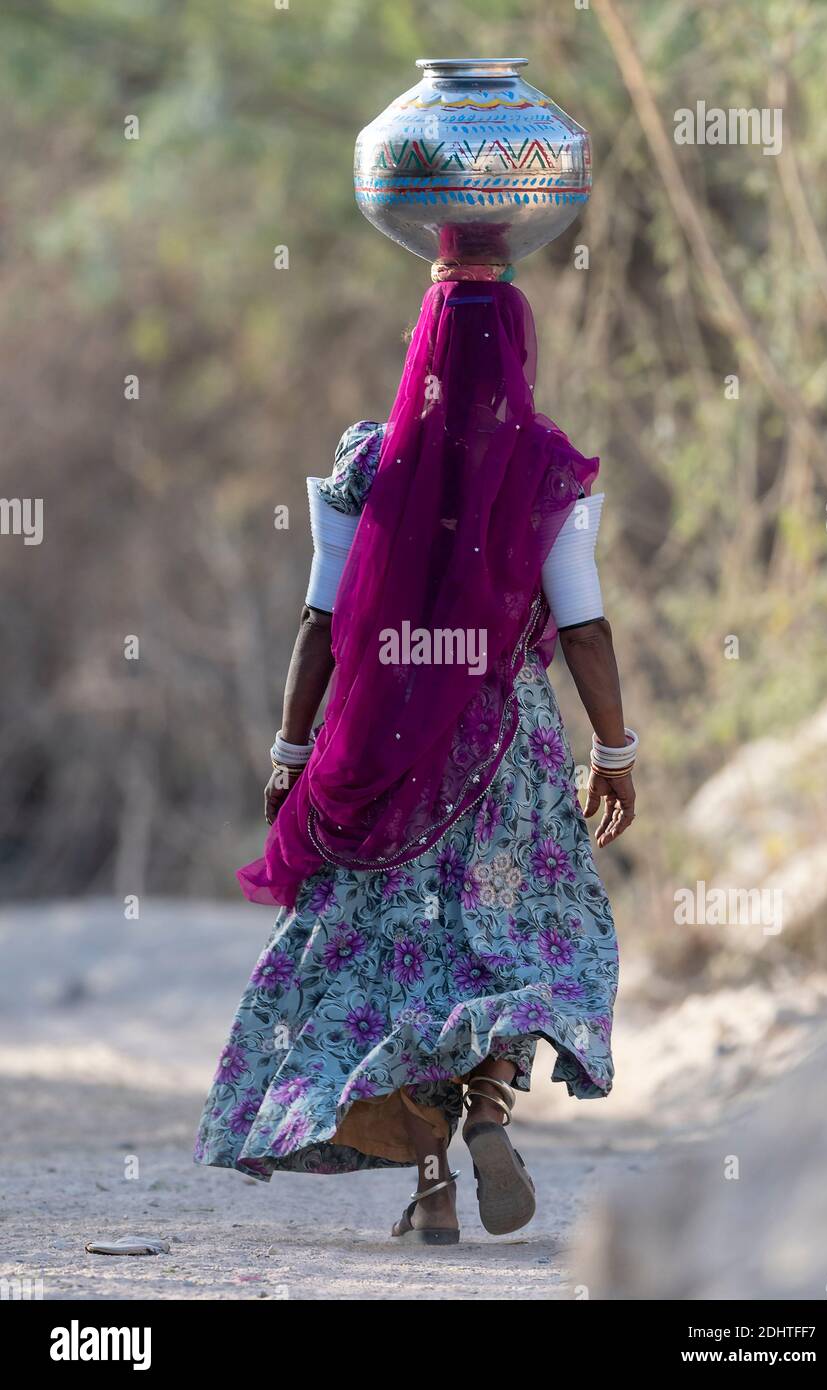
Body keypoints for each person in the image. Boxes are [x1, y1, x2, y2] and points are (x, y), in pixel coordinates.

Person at [195, 275, 636, 1244]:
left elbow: (319, 623)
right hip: (506, 746)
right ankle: (488, 1106)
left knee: (398, 957)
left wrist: (291, 750)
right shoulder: (548, 470)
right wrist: (612, 748)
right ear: (519, 356)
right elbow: (585, 627)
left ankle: (433, 1185)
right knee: (518, 934)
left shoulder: (366, 466)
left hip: (384, 747)